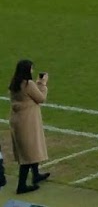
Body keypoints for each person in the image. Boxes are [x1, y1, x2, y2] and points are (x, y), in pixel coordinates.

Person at [8, 60, 49, 195]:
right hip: (27, 121)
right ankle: (22, 186)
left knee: (30, 150)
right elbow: (41, 98)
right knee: (29, 153)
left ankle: (36, 174)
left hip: (18, 120)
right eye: (31, 69)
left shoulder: (15, 83)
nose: (32, 71)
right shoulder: (28, 84)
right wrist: (42, 84)